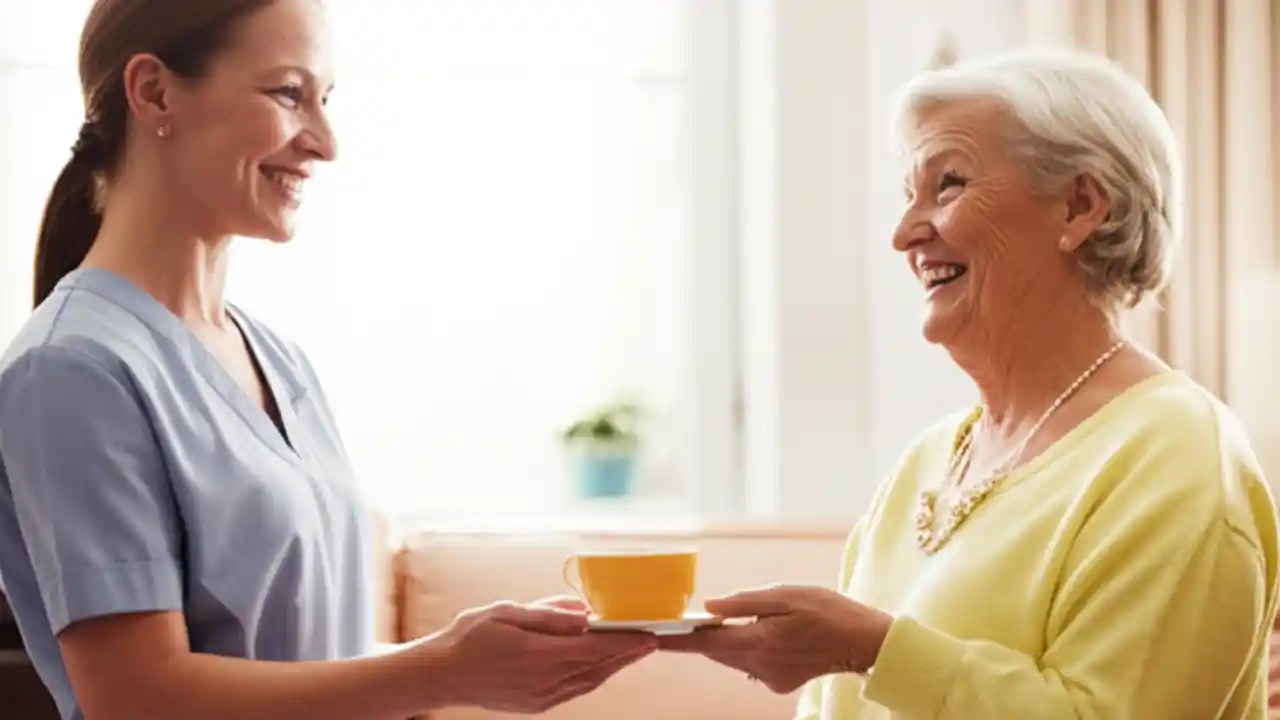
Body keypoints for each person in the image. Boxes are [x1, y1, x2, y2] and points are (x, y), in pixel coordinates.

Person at [0, 2, 655, 719]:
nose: (326, 142)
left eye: (325, 99)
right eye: (288, 93)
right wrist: (441, 672)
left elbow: (305, 661)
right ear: (155, 92)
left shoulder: (276, 358)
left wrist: (476, 658)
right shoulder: (71, 372)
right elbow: (138, 698)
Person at [662, 50, 1280, 719]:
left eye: (948, 185)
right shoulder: (931, 457)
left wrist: (875, 650)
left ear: (1079, 206)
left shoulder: (1178, 455)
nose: (904, 234)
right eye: (908, 197)